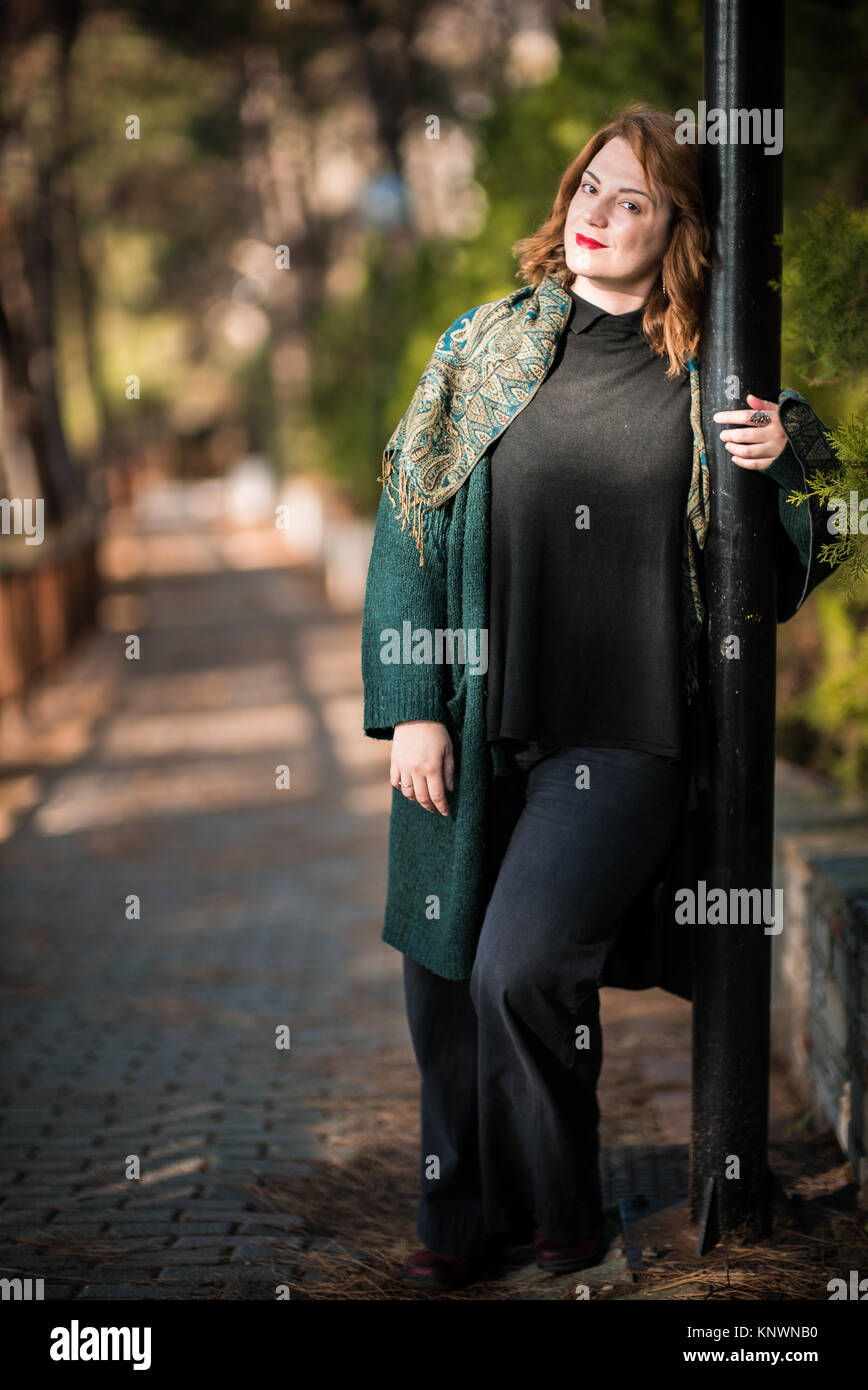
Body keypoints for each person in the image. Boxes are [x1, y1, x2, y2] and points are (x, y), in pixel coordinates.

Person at [360, 104, 842, 1292]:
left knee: (519, 968)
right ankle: (467, 1219)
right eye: (588, 189)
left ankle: (562, 1208)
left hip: (625, 734)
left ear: (677, 224)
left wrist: (787, 465)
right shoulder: (483, 345)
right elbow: (406, 518)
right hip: (476, 712)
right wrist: (413, 699)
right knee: (444, 969)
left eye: (632, 200)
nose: (598, 216)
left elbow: (790, 553)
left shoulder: (716, 372)